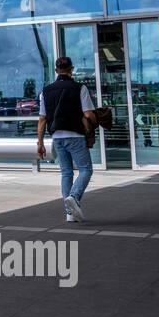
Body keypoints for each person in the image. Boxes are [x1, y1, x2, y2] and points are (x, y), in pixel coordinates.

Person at [36, 56, 96, 223]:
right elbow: (88, 114)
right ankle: (74, 198)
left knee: (66, 172)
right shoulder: (80, 88)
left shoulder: (45, 91)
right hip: (75, 135)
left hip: (57, 137)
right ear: (72, 69)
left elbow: (42, 119)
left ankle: (69, 213)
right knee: (86, 169)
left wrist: (40, 143)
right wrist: (97, 120)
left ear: (56, 71)